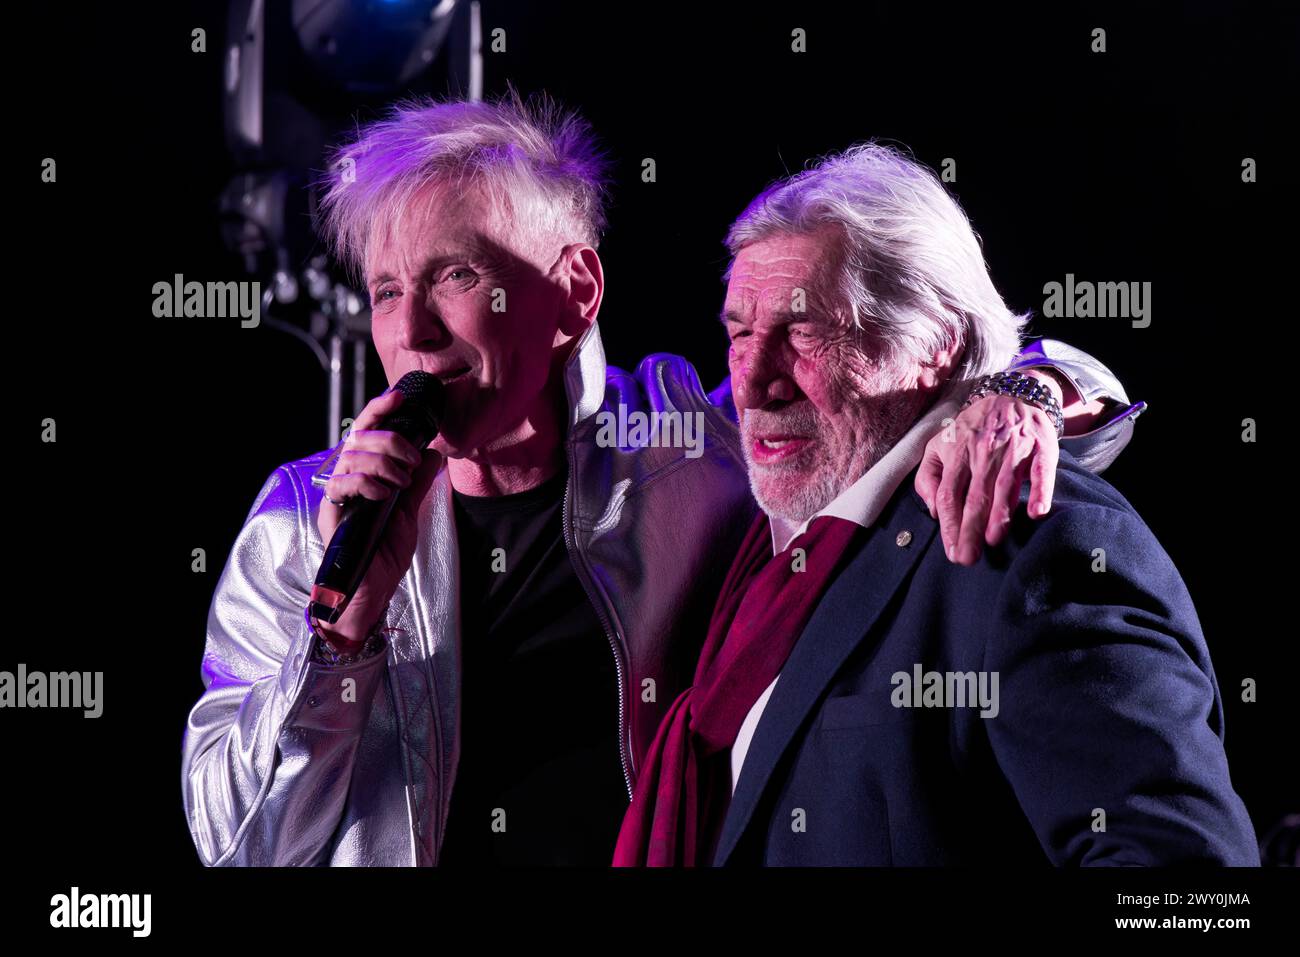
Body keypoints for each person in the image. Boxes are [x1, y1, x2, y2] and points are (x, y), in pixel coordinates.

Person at [181, 94, 1139, 866]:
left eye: (456, 276)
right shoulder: (304, 520)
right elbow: (237, 843)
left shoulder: (691, 441)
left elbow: (918, 383)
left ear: (575, 293)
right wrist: (339, 640)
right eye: (388, 289)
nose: (411, 331)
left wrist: (1028, 390)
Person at [613, 142, 1257, 866]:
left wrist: (1025, 384)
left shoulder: (1030, 540)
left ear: (936, 345)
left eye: (805, 330)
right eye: (738, 331)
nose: (754, 381)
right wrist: (1035, 381)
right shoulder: (777, 527)